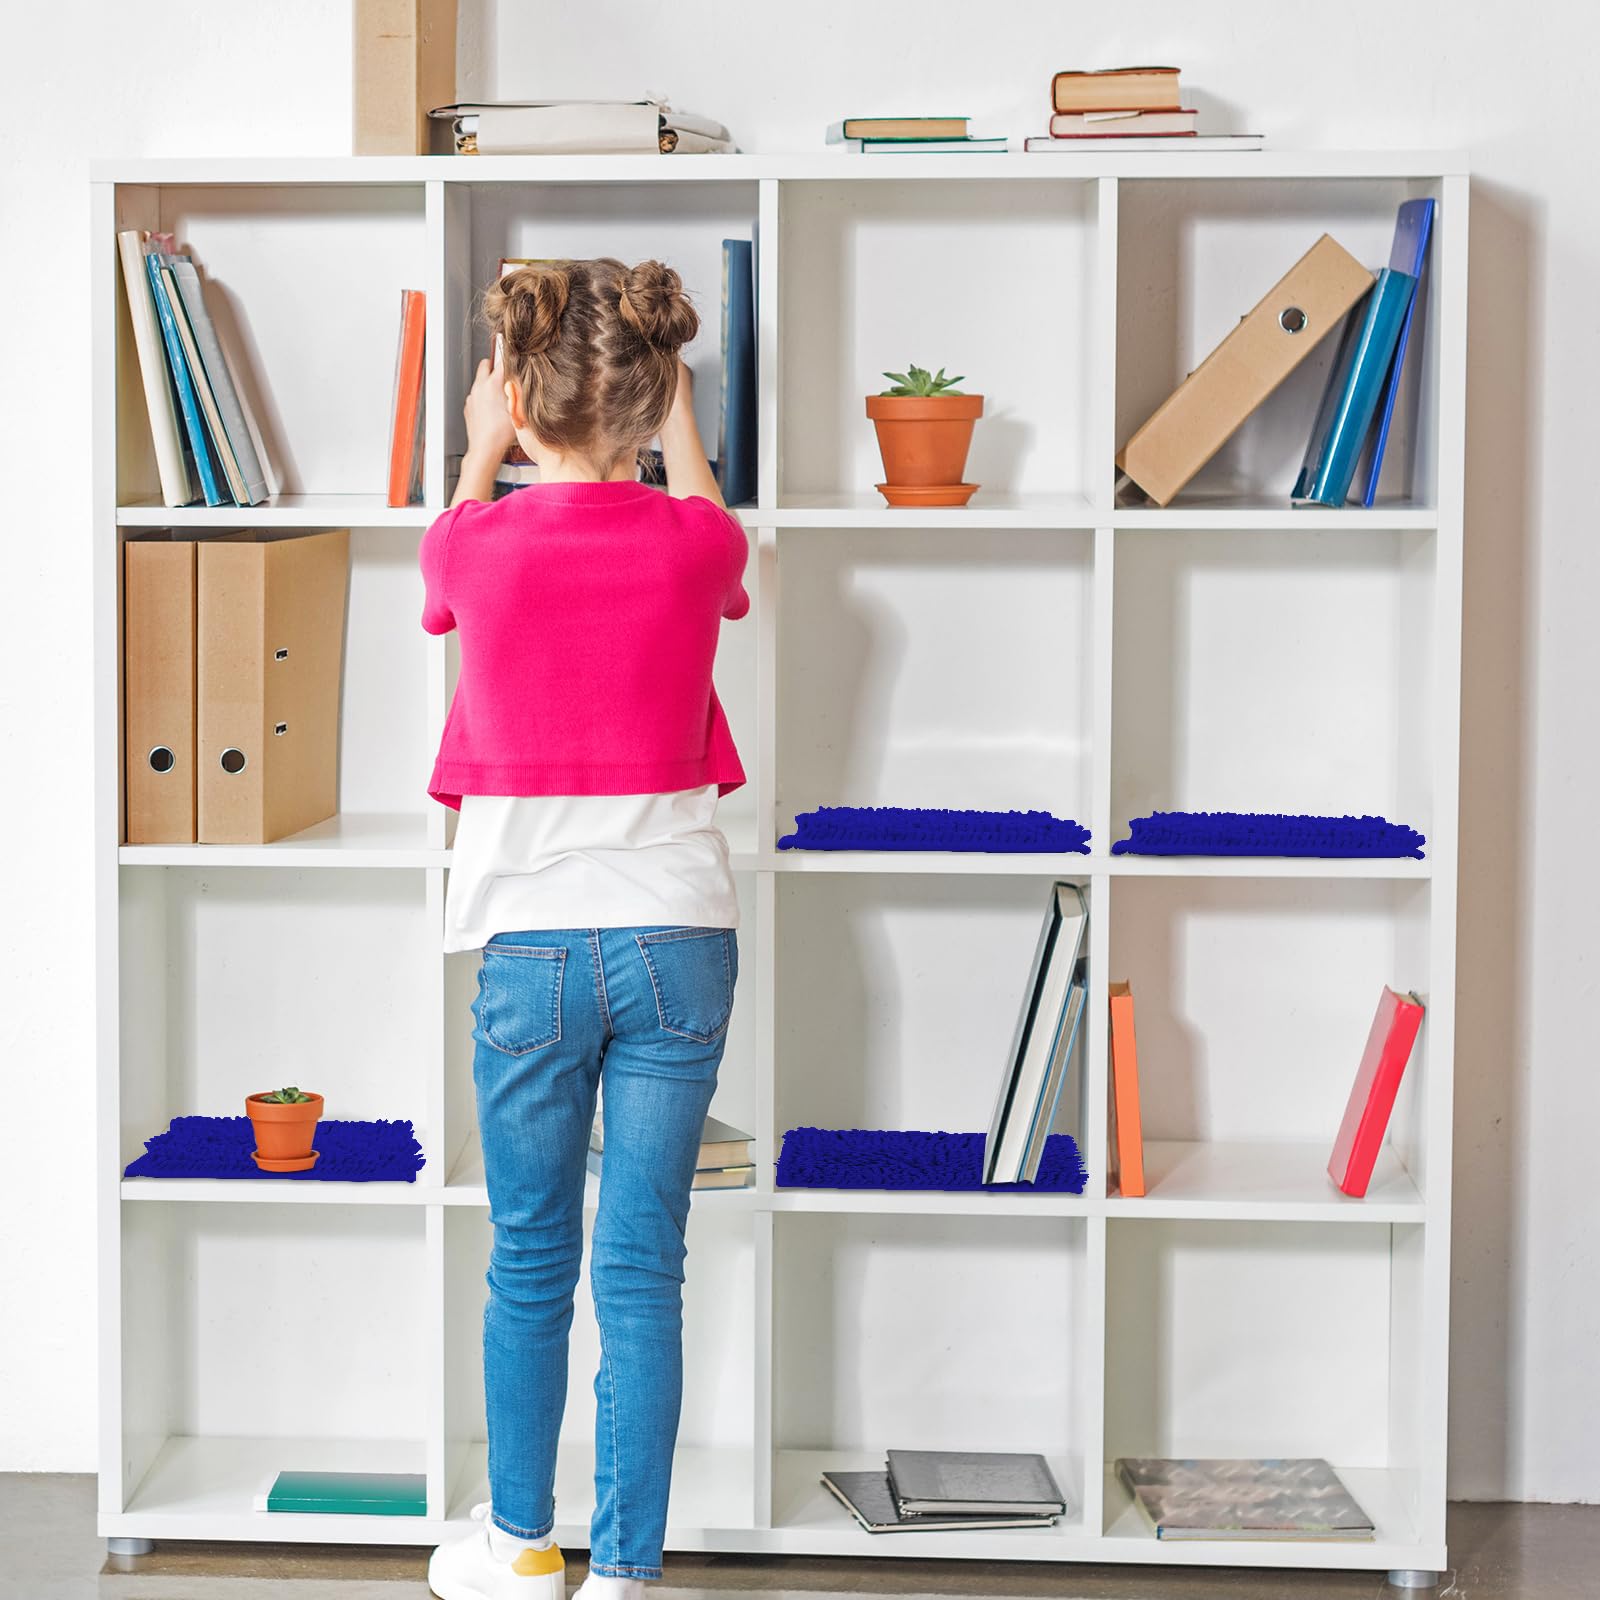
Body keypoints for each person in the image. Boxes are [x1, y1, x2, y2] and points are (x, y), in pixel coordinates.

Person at [423, 257, 749, 1600]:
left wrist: (476, 444)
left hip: (532, 949)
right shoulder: (697, 543)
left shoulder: (468, 544)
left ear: (513, 390)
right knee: (642, 1270)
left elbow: (452, 546)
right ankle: (623, 1573)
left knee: (532, 1258)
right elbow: (709, 517)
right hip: (678, 940)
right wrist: (676, 423)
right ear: (660, 395)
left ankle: (518, 1545)